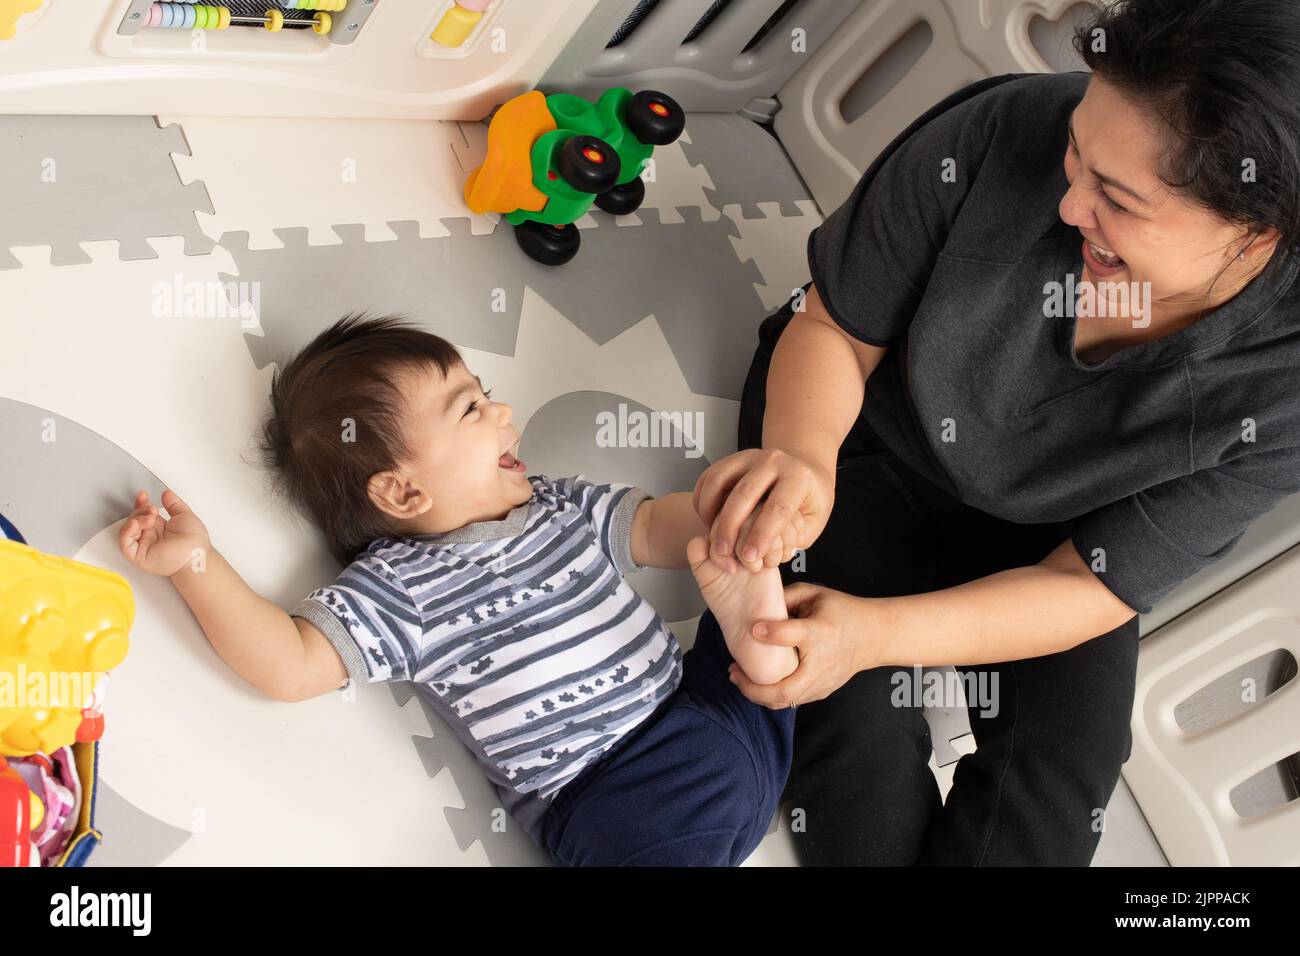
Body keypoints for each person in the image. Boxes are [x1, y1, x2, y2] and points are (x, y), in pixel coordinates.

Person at [693, 0, 1300, 865]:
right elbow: (835, 329)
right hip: (861, 438)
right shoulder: (1004, 126)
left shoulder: (1283, 385)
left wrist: (878, 633)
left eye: (1117, 200)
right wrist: (799, 458)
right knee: (851, 761)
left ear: (1256, 234)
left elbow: (1092, 588)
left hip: (1061, 547)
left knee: (1055, 789)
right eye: (1077, 153)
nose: (1067, 202)